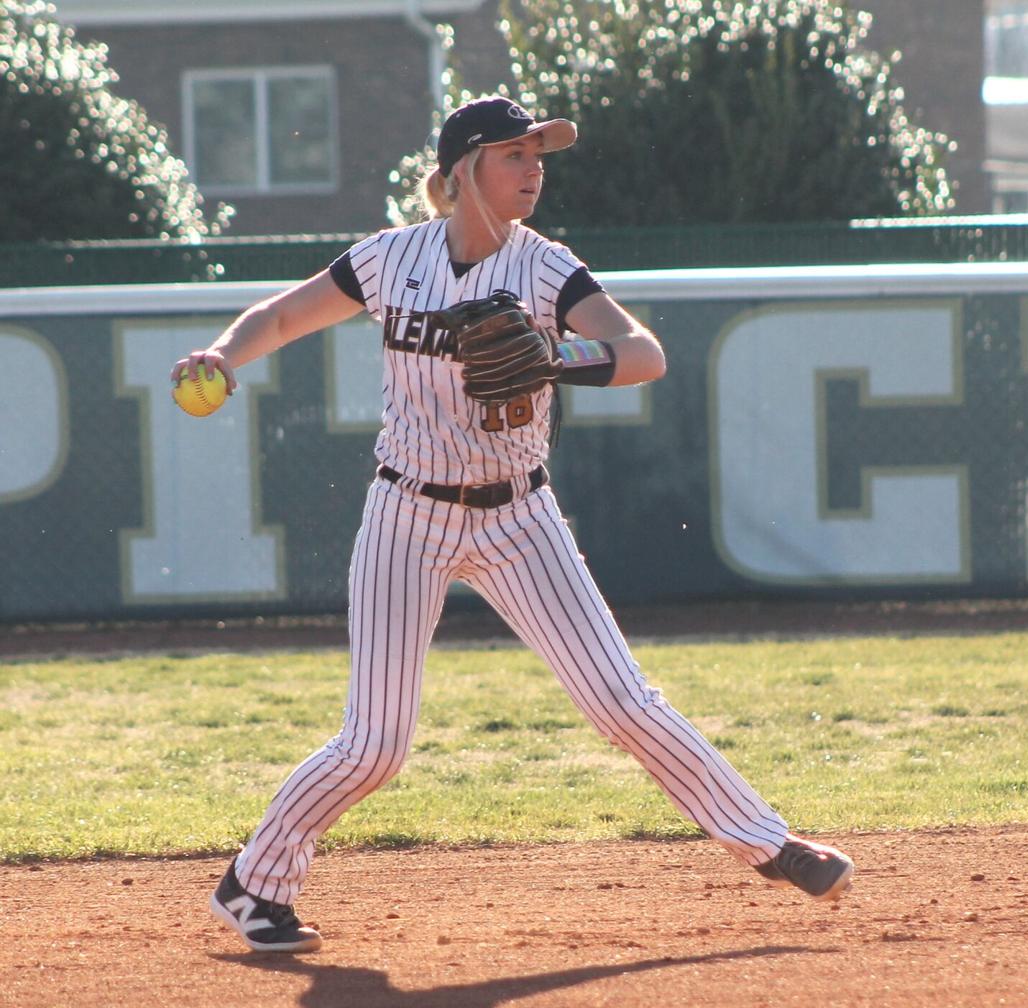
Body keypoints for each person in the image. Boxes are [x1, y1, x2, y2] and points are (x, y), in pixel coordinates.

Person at [175, 96, 854, 954]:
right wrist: (222, 356)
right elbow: (280, 316)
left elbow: (644, 352)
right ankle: (255, 882)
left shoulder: (546, 269)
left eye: (538, 154)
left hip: (519, 514)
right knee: (375, 743)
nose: (533, 168)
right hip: (406, 511)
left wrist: (556, 356)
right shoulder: (390, 260)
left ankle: (770, 844)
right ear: (461, 171)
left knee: (620, 700)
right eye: (511, 154)